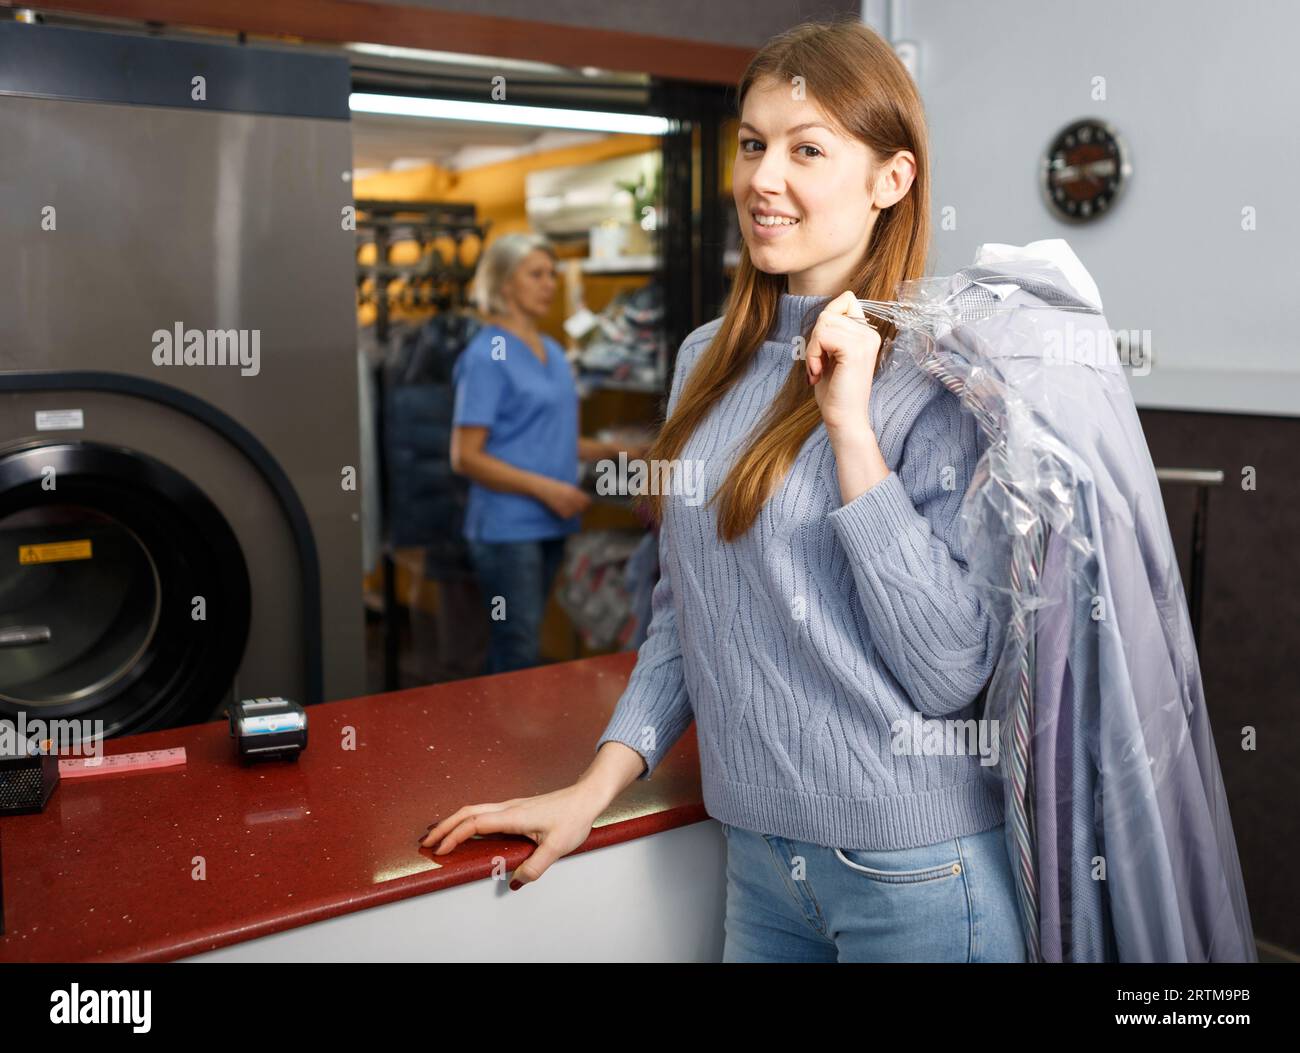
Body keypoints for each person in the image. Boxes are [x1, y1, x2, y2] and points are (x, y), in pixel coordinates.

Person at [424, 19, 1025, 963]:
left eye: (808, 149)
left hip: (915, 868)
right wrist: (592, 790)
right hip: (758, 857)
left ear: (891, 180)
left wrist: (850, 429)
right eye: (752, 144)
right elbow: (683, 611)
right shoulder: (707, 357)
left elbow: (951, 669)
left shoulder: (944, 373)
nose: (762, 178)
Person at [450, 232, 645, 675]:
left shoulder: (554, 353)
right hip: (508, 529)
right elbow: (466, 456)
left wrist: (619, 451)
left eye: (552, 275)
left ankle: (513, 735)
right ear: (503, 284)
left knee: (527, 638)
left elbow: (550, 437)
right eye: (535, 274)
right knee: (516, 647)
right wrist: (547, 491)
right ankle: (500, 742)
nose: (549, 284)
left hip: (554, 520)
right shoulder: (486, 355)